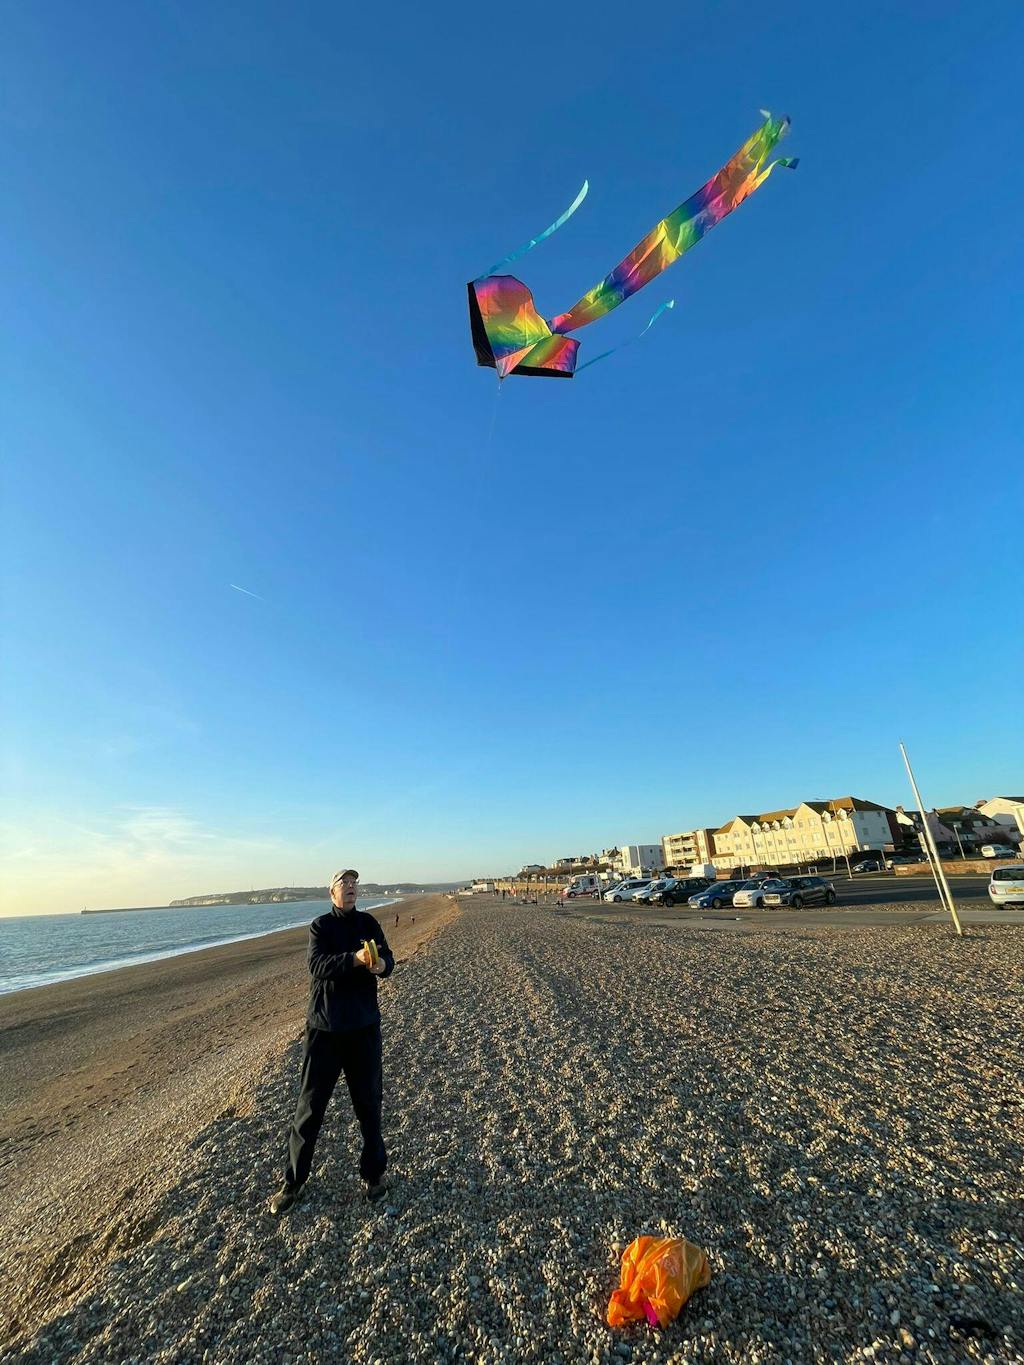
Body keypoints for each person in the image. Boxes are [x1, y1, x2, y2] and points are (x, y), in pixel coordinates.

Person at [269, 869, 395, 1215]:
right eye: (344, 883)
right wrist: (353, 960)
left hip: (364, 1028)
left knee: (369, 1105)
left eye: (355, 883)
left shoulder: (369, 923)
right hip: (324, 1030)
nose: (351, 887)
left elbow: (389, 958)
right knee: (309, 1109)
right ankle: (294, 1182)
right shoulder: (320, 927)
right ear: (332, 892)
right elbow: (317, 965)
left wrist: (381, 964)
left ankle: (374, 1174)